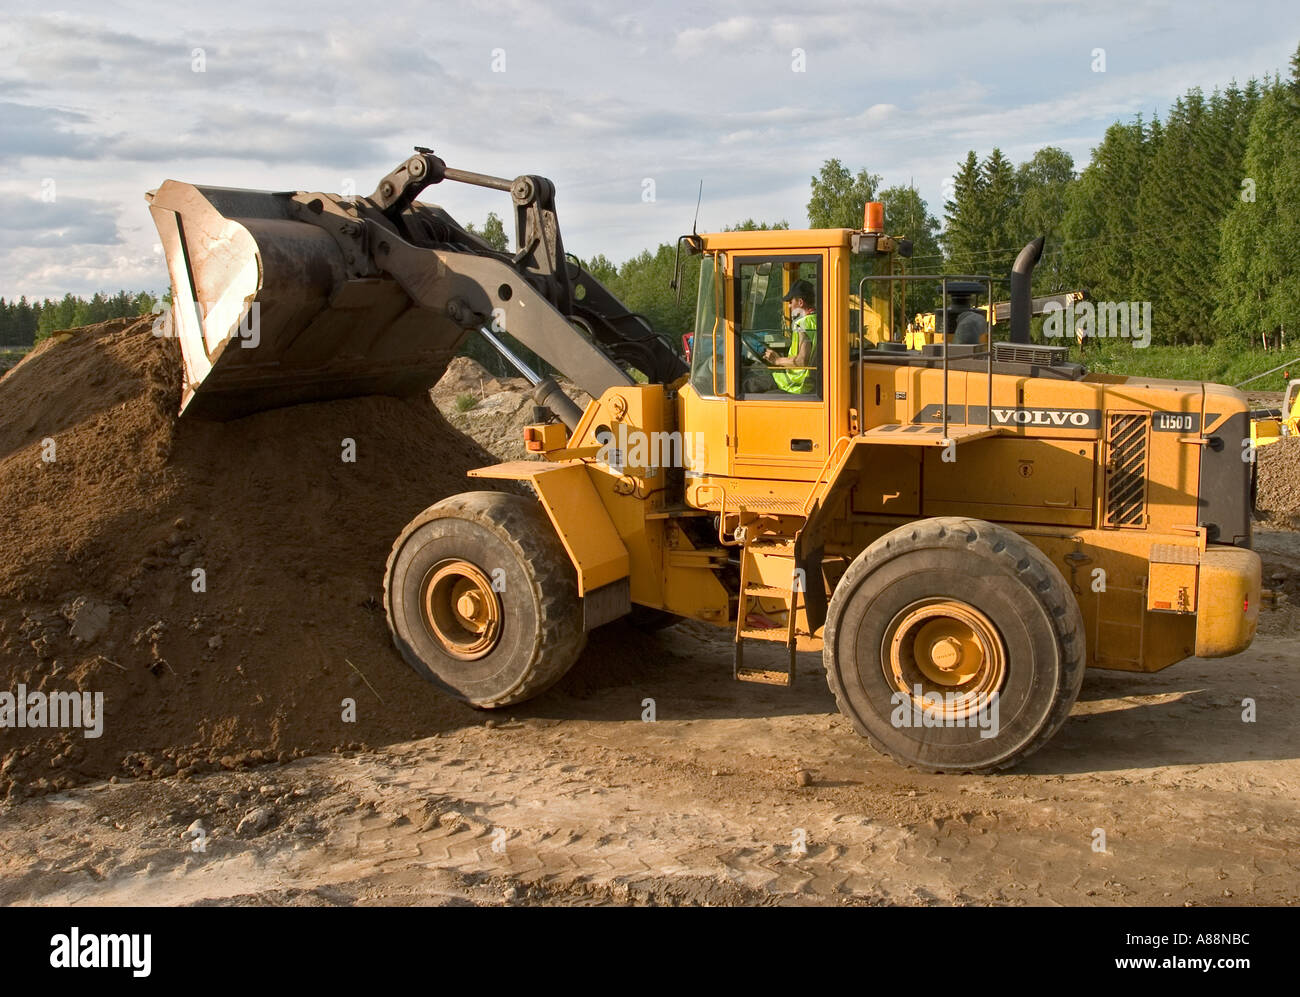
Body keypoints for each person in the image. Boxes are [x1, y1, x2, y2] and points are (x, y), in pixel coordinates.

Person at [764, 279, 819, 394]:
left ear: (800, 302)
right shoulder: (818, 320)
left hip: (796, 383)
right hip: (809, 382)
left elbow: (802, 361)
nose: (789, 306)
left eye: (790, 302)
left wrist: (777, 360)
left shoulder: (802, 324)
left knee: (747, 383)